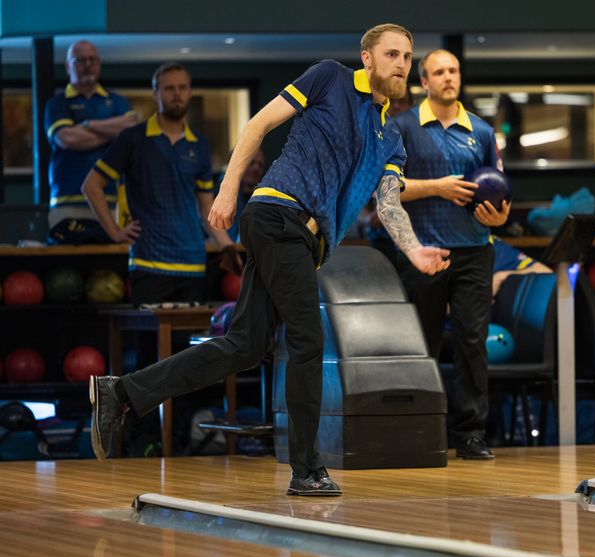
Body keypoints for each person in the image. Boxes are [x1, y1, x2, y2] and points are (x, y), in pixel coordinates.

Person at [88, 24, 449, 496]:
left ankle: (122, 392)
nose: (401, 63)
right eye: (391, 54)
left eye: (407, 56)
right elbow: (259, 124)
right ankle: (306, 468)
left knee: (245, 344)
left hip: (302, 238)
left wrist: (414, 248)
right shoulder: (329, 78)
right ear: (367, 57)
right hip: (277, 214)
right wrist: (227, 190)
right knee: (307, 337)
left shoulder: (391, 139)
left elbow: (387, 203)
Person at [392, 49, 510, 460]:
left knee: (472, 343)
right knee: (421, 343)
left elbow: (499, 191)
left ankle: (471, 434)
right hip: (422, 252)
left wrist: (499, 217)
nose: (448, 77)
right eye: (439, 72)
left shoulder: (480, 130)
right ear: (424, 82)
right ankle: (421, 429)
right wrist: (437, 187)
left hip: (476, 250)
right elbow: (389, 190)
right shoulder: (403, 126)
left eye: (454, 70)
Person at [83, 62, 236, 305]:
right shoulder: (133, 138)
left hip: (193, 265)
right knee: (150, 343)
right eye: (169, 88)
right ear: (156, 93)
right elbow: (91, 186)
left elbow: (206, 208)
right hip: (149, 265)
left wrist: (228, 246)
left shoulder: (199, 145)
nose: (177, 94)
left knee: (189, 343)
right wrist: (113, 231)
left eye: (183, 87)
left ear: (189, 92)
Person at [45, 40, 138, 245]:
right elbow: (67, 139)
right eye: (80, 60)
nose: (88, 64)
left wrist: (87, 124)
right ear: (68, 66)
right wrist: (113, 130)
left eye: (93, 59)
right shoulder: (57, 104)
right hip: (67, 203)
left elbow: (130, 131)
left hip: (112, 203)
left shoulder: (118, 102)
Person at [225, 148, 267, 243]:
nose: (256, 168)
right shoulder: (218, 196)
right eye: (251, 163)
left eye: (260, 165)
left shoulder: (265, 202)